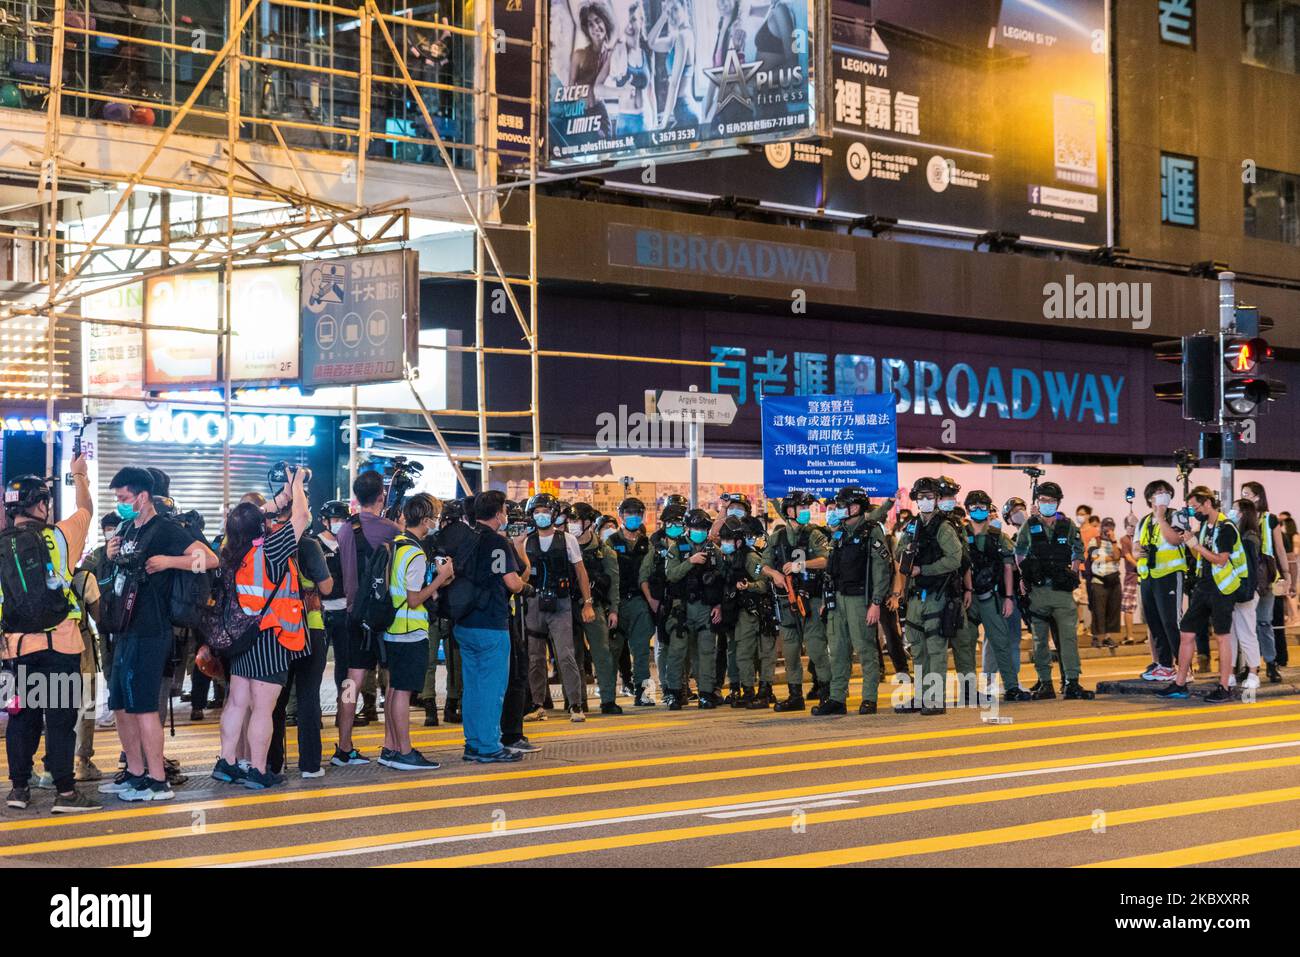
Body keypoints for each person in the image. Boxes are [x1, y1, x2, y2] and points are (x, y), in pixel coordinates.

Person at [98, 468, 217, 802]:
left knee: (145, 707)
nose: (119, 505)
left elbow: (209, 560)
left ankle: (157, 780)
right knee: (121, 703)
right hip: (124, 628)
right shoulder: (125, 527)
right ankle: (135, 774)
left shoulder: (165, 529)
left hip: (152, 629)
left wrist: (170, 561)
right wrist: (110, 555)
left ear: (142, 497)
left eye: (123, 498)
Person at [2, 457, 101, 813]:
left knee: (22, 717)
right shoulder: (60, 537)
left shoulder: (1, 547)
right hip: (60, 646)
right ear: (40, 504)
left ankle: (18, 790)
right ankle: (65, 793)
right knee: (60, 718)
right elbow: (86, 508)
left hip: (16, 652)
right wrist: (79, 475)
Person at [211, 468, 311, 789]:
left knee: (237, 702)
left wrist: (278, 498)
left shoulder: (230, 550)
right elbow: (303, 516)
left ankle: (226, 762)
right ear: (261, 525)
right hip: (271, 637)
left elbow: (248, 521)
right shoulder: (270, 549)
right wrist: (296, 484)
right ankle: (257, 769)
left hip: (242, 636)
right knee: (263, 709)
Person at [377, 493, 453, 771]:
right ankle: (405, 752)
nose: (437, 520)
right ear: (425, 519)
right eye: (435, 514)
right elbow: (413, 598)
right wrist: (441, 579)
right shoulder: (415, 552)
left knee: (394, 689)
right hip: (409, 629)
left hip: (392, 628)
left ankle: (391, 748)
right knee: (402, 693)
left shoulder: (396, 544)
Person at [332, 470, 401, 766]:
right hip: (382, 616)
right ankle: (392, 745)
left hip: (352, 615)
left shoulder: (345, 529)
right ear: (381, 497)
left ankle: (344, 747)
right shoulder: (390, 529)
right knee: (391, 681)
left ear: (357, 497)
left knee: (352, 682)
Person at [267, 498, 338, 779]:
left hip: (278, 630)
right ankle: (310, 765)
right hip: (310, 627)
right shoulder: (309, 545)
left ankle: (272, 764)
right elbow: (327, 587)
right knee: (309, 698)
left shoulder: (266, 544)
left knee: (276, 701)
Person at [1158, 487, 1248, 704]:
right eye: (1191, 508)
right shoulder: (1206, 527)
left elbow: (1221, 560)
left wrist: (1195, 544)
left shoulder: (1226, 528)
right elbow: (1200, 555)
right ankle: (1180, 684)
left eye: (1196, 507)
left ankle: (1224, 686)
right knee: (1186, 633)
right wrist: (1191, 542)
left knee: (1222, 637)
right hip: (1203, 588)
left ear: (1208, 503)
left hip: (1222, 590)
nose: (1193, 511)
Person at [457, 491, 526, 763]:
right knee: (492, 687)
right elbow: (513, 583)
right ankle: (488, 746)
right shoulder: (498, 542)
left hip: (464, 622)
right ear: (498, 514)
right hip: (492, 624)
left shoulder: (465, 538)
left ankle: (473, 742)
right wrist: (525, 584)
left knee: (472, 685)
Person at [1014, 481, 1093, 701]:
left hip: (1061, 590)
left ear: (1058, 502)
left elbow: (1079, 551)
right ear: (1037, 502)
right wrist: (1024, 575)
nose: (1047, 504)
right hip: (1038, 591)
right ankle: (1045, 683)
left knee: (1068, 639)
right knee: (1039, 640)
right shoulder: (1029, 525)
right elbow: (1019, 551)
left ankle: (1071, 683)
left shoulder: (1067, 526)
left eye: (1051, 501)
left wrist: (1073, 573)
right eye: (1043, 500)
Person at [521, 493, 596, 721]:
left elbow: (580, 572)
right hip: (534, 602)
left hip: (561, 603)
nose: (541, 515)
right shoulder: (526, 540)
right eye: (536, 511)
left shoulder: (567, 540)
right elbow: (522, 574)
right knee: (535, 658)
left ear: (554, 514)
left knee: (565, 655)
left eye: (545, 510)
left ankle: (575, 705)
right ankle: (537, 704)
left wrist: (587, 603)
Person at [820, 485, 893, 716]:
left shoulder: (872, 531)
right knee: (838, 651)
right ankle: (837, 698)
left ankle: (869, 698)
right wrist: (826, 598)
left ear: (856, 507)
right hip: (837, 599)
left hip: (860, 600)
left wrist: (876, 602)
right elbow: (831, 568)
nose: (839, 509)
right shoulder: (839, 531)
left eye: (843, 505)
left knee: (865, 650)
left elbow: (882, 570)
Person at [893, 478, 963, 713]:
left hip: (937, 593)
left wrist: (924, 569)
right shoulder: (913, 525)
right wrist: (907, 554)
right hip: (915, 596)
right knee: (918, 648)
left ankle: (935, 698)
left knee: (935, 649)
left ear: (936, 498)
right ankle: (922, 696)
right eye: (920, 497)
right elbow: (898, 552)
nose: (925, 501)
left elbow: (955, 559)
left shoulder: (944, 526)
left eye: (929, 497)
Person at [761, 490, 831, 711]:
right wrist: (775, 574)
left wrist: (802, 566)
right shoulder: (777, 537)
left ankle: (827, 693)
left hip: (811, 599)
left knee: (816, 648)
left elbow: (826, 560)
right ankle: (795, 695)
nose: (806, 512)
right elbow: (762, 564)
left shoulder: (815, 534)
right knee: (791, 651)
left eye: (807, 508)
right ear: (789, 511)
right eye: (802, 508)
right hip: (786, 601)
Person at [963, 490, 1031, 702]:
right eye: (974, 507)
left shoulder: (998, 536)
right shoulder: (959, 535)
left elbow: (1009, 567)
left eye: (983, 506)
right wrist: (965, 591)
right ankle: (968, 691)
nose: (978, 510)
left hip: (992, 597)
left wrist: (1009, 598)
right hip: (967, 599)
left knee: (1001, 641)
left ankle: (1011, 686)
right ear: (967, 510)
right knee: (965, 645)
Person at [665, 507, 724, 709]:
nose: (699, 530)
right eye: (696, 527)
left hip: (705, 608)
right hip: (681, 608)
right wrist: (690, 561)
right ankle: (673, 693)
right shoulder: (677, 549)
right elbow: (671, 575)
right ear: (688, 528)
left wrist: (718, 605)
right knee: (677, 651)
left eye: (703, 527)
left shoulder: (714, 551)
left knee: (707, 652)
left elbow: (722, 580)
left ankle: (706, 693)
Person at [712, 517, 770, 709]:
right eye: (723, 540)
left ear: (738, 541)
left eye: (729, 540)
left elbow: (765, 583)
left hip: (749, 613)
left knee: (745, 655)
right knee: (736, 653)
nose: (725, 544)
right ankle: (743, 689)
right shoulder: (727, 558)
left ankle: (750, 691)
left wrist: (749, 586)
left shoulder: (750, 557)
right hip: (733, 613)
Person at [572, 502, 623, 714]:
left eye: (576, 521)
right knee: (572, 656)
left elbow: (613, 582)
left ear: (589, 523)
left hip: (597, 607)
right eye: (570, 521)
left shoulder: (605, 551)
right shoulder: (565, 546)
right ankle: (575, 700)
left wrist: (613, 610)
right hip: (569, 607)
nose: (572, 525)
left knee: (602, 653)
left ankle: (608, 699)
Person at [1240, 481, 1291, 683]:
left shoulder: (1270, 519)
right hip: (1245, 577)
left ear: (1258, 497)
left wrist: (1287, 575)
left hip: (1267, 578)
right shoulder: (1241, 517)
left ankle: (1271, 664)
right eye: (1242, 493)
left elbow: (1279, 549)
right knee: (1245, 625)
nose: (1244, 497)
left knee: (1264, 622)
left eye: (1247, 494)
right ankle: (1250, 666)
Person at [641, 499, 691, 701]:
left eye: (679, 522)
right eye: (671, 522)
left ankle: (682, 685)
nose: (675, 526)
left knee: (684, 646)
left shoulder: (688, 543)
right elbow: (644, 576)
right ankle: (667, 686)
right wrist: (652, 601)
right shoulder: (655, 544)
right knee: (663, 645)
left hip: (684, 600)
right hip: (662, 602)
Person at [611, 497, 656, 705]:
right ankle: (608, 696)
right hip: (617, 602)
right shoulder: (611, 542)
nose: (633, 517)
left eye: (637, 513)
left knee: (640, 650)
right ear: (621, 516)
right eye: (629, 513)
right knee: (612, 650)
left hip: (640, 602)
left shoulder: (648, 544)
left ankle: (643, 692)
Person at [316, 500, 350, 721]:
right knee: (316, 666)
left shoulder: (349, 544)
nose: (338, 524)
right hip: (320, 611)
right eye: (335, 520)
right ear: (324, 521)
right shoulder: (314, 544)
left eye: (342, 520)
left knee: (345, 666)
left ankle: (343, 711)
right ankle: (314, 712)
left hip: (345, 611)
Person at [1227, 497, 1262, 692]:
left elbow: (1251, 569)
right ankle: (1230, 673)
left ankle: (1253, 673)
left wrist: (1247, 591)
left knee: (1247, 633)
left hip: (1245, 592)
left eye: (1234, 509)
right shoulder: (1238, 534)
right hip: (1232, 590)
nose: (1231, 512)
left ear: (1243, 513)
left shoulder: (1249, 537)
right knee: (1230, 634)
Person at [1084, 518, 1122, 649]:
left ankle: (1107, 637)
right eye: (1106, 526)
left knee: (1112, 610)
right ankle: (1096, 637)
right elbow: (1095, 559)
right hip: (1098, 581)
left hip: (1114, 581)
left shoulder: (1114, 543)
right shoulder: (1095, 541)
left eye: (1111, 526)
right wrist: (1111, 558)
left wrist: (1114, 541)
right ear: (1101, 527)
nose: (1108, 529)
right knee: (1098, 610)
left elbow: (1118, 556)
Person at [1119, 513, 1140, 645]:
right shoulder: (1125, 539)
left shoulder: (1141, 538)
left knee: (1148, 608)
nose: (1132, 528)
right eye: (1129, 525)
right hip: (1132, 577)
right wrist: (1140, 566)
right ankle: (1130, 636)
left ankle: (1151, 636)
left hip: (1143, 577)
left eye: (1134, 525)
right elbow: (1127, 556)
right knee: (1128, 607)